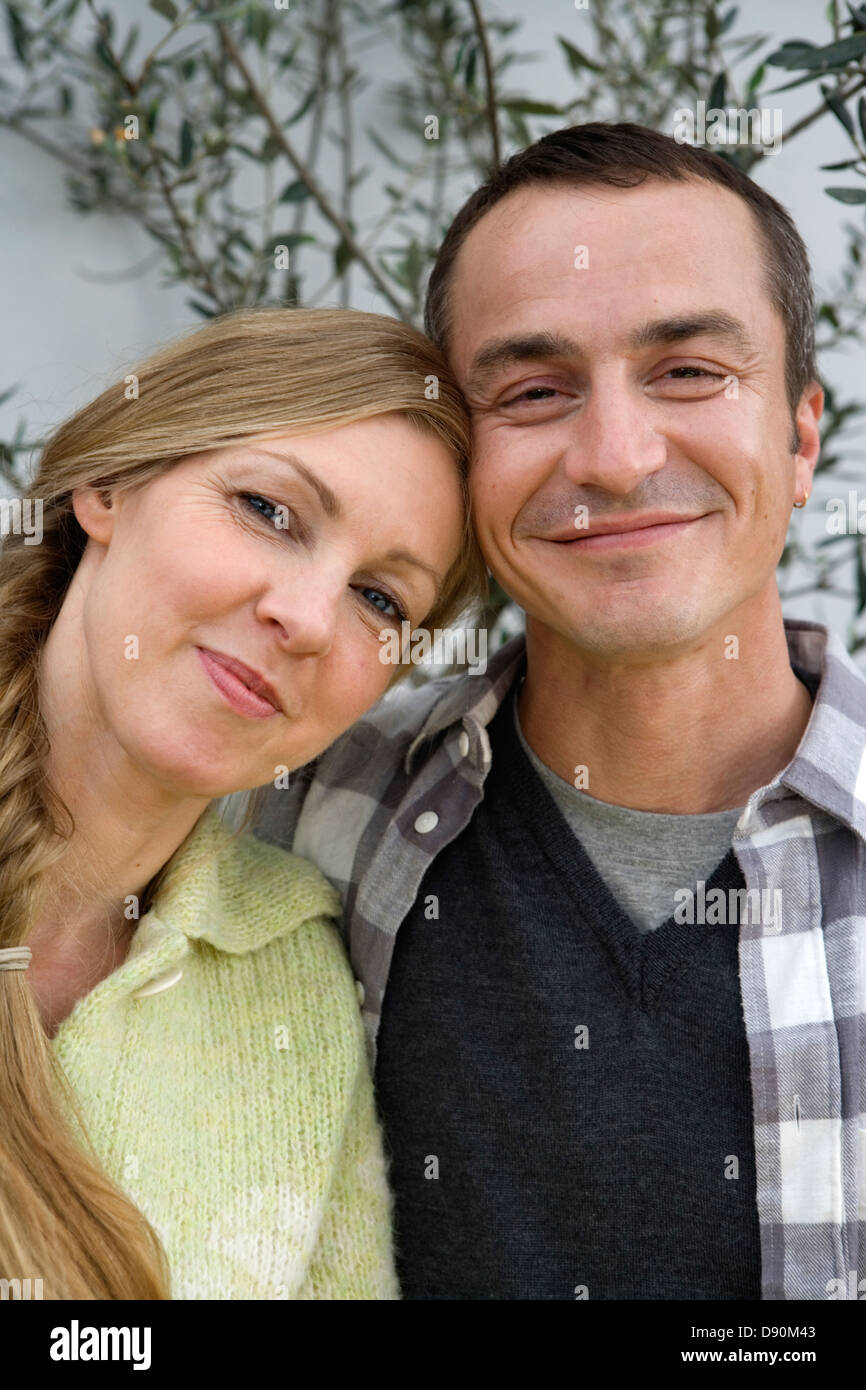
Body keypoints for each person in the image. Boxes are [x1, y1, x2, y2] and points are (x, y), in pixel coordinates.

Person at [254, 124, 866, 1301]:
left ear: (797, 436)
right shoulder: (301, 808)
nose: (618, 458)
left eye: (688, 371)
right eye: (531, 391)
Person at [0, 305, 487, 1300]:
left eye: (380, 599)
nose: (306, 617)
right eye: (269, 510)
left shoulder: (288, 974)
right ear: (110, 482)